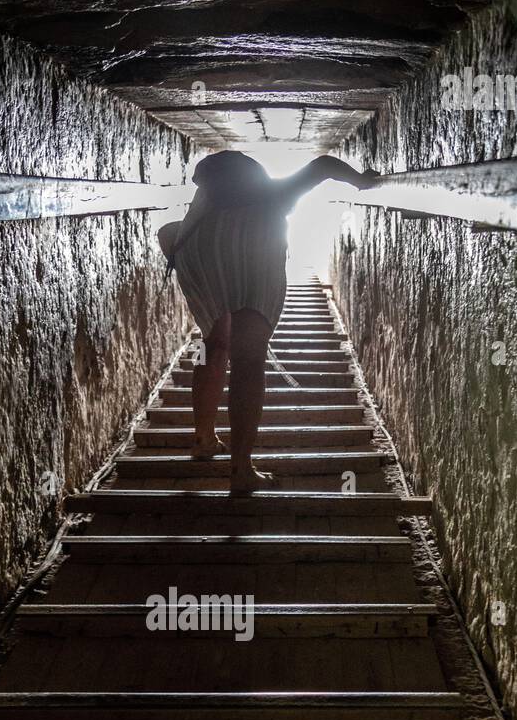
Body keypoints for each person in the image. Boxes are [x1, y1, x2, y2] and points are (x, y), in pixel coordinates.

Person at [157, 151, 379, 494]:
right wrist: (361, 180)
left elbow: (166, 234)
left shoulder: (202, 210)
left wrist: (198, 264)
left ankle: (203, 439)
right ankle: (241, 470)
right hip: (257, 248)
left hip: (200, 250)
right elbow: (324, 165)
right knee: (248, 360)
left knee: (212, 346)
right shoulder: (273, 193)